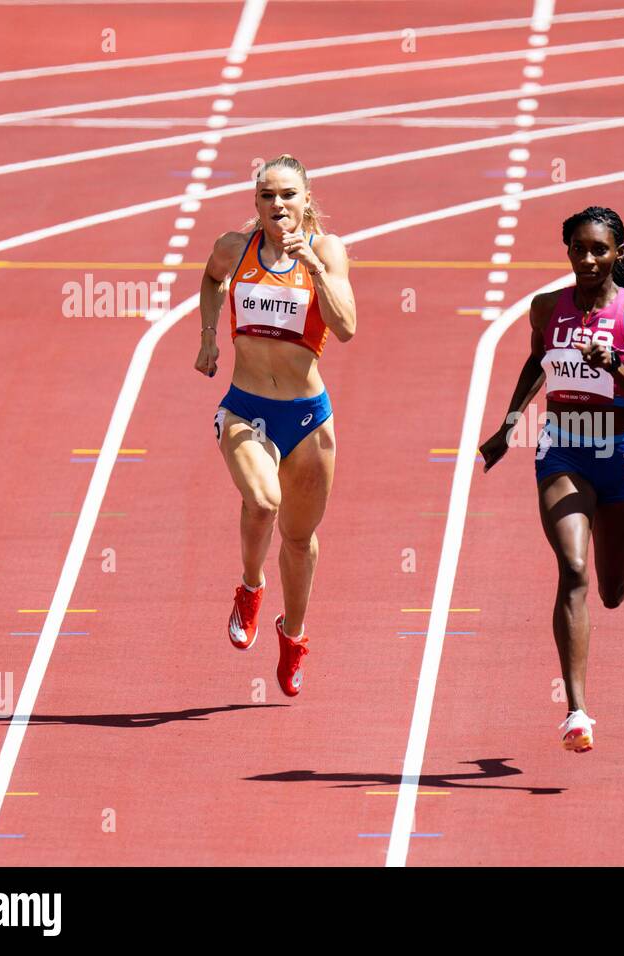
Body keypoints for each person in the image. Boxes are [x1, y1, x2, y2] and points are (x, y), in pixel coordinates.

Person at [479, 205, 624, 752]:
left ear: (616, 254)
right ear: (568, 252)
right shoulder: (546, 308)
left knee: (612, 590)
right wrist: (508, 429)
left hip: (619, 452)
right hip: (562, 451)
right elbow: (536, 364)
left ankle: (609, 589)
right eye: (578, 248)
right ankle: (576, 712)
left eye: (599, 249)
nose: (588, 258)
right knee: (572, 568)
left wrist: (613, 368)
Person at [193, 154, 356, 698]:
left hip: (308, 418)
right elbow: (212, 279)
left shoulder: (327, 251)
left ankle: (294, 635)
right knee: (262, 502)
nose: (277, 204)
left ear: (306, 199)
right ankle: (249, 586)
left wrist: (311, 263)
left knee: (299, 538)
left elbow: (347, 327)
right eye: (267, 195)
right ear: (255, 203)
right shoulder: (234, 248)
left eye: (287, 194)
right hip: (245, 407)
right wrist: (209, 337)